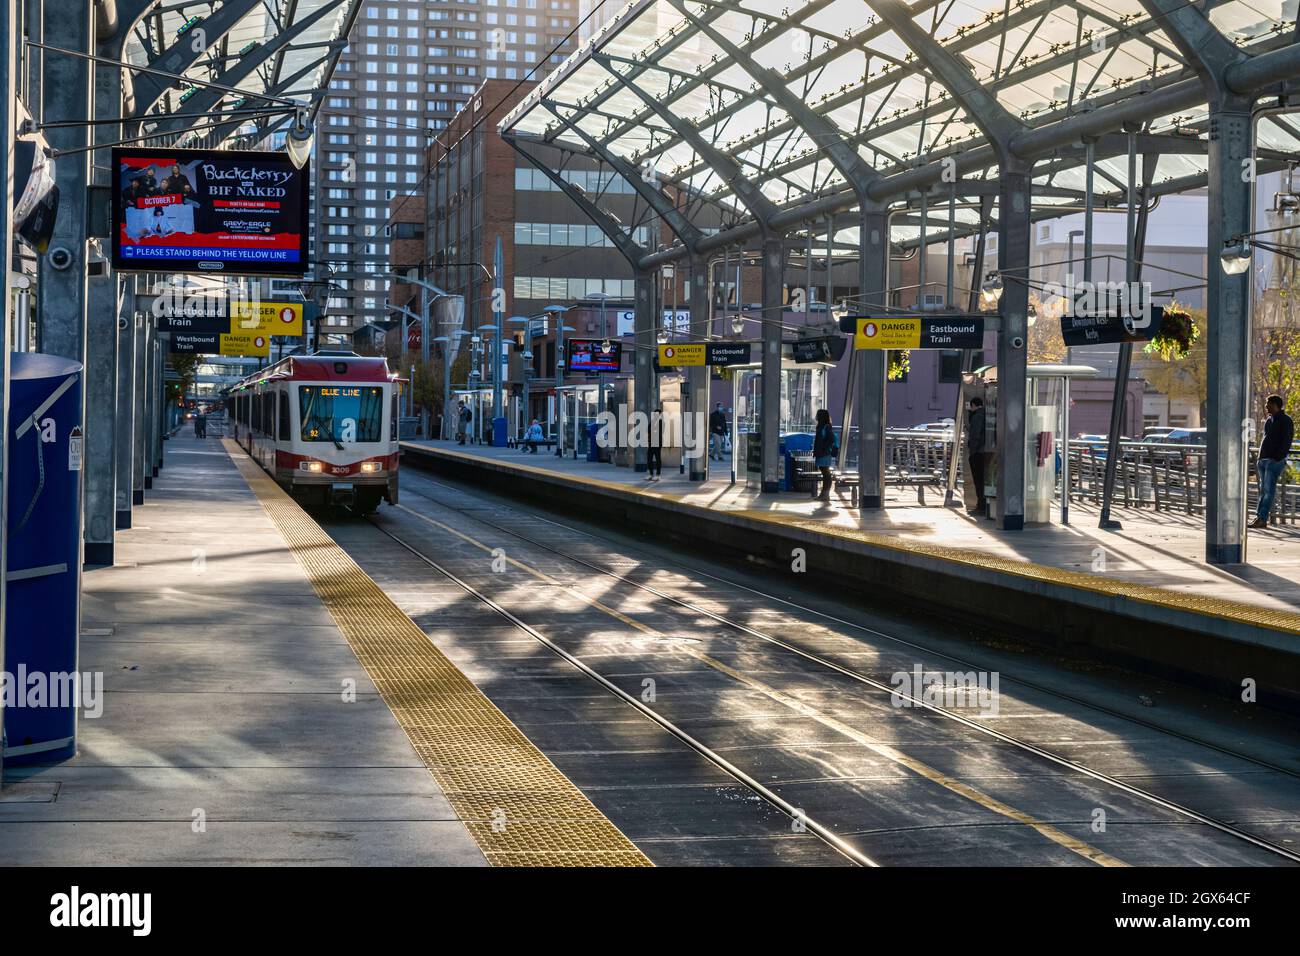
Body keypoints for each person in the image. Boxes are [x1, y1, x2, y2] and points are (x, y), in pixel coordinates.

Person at [1250, 394, 1294, 529]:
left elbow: (1287, 441)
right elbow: (1266, 438)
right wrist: (1260, 457)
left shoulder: (1286, 420)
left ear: (1275, 405)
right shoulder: (1269, 420)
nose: (1266, 406)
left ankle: (1262, 518)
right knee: (1263, 490)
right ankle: (1259, 517)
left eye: (1268, 403)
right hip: (1263, 460)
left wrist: (1277, 457)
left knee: (1268, 491)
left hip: (1273, 461)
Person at [966, 396, 989, 516]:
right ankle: (984, 505)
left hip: (977, 453)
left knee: (978, 481)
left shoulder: (977, 417)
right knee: (983, 480)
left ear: (973, 405)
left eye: (970, 406)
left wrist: (972, 452)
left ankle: (981, 505)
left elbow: (975, 435)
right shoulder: (987, 414)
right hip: (986, 452)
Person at [812, 408, 838, 503]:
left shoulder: (825, 427)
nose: (816, 416)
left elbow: (830, 439)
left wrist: (824, 449)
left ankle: (825, 494)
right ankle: (824, 494)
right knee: (825, 472)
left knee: (825, 473)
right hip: (823, 453)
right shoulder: (823, 426)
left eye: (818, 415)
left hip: (824, 453)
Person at [647, 406, 663, 481]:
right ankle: (651, 474)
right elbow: (648, 430)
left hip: (657, 442)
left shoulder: (661, 422)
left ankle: (658, 474)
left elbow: (659, 432)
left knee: (657, 458)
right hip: (651, 442)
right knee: (649, 458)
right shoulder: (652, 421)